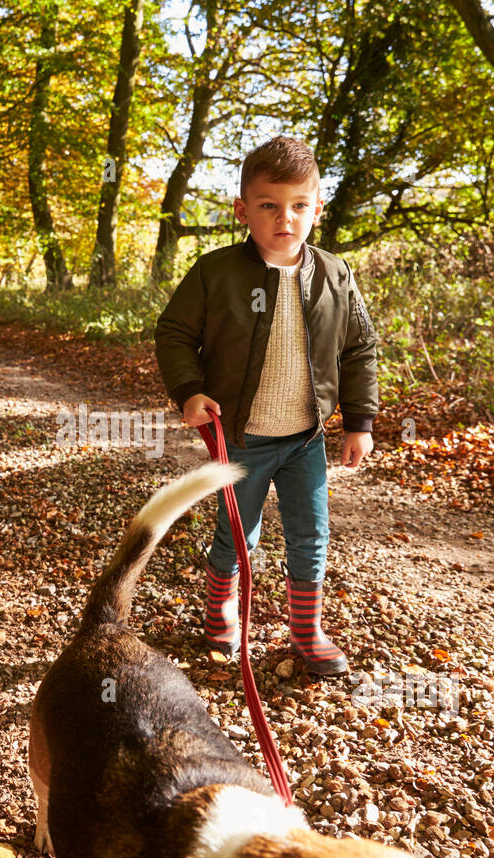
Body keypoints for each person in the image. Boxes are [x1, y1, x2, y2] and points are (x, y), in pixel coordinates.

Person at [153, 135, 379, 677]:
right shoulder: (216, 272)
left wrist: (359, 421)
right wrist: (189, 392)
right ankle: (221, 612)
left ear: (317, 209)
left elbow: (360, 347)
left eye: (300, 205)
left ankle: (307, 630)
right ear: (242, 211)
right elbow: (175, 332)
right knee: (237, 532)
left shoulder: (334, 274)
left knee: (311, 533)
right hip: (242, 438)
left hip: (305, 438)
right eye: (269, 205)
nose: (286, 218)